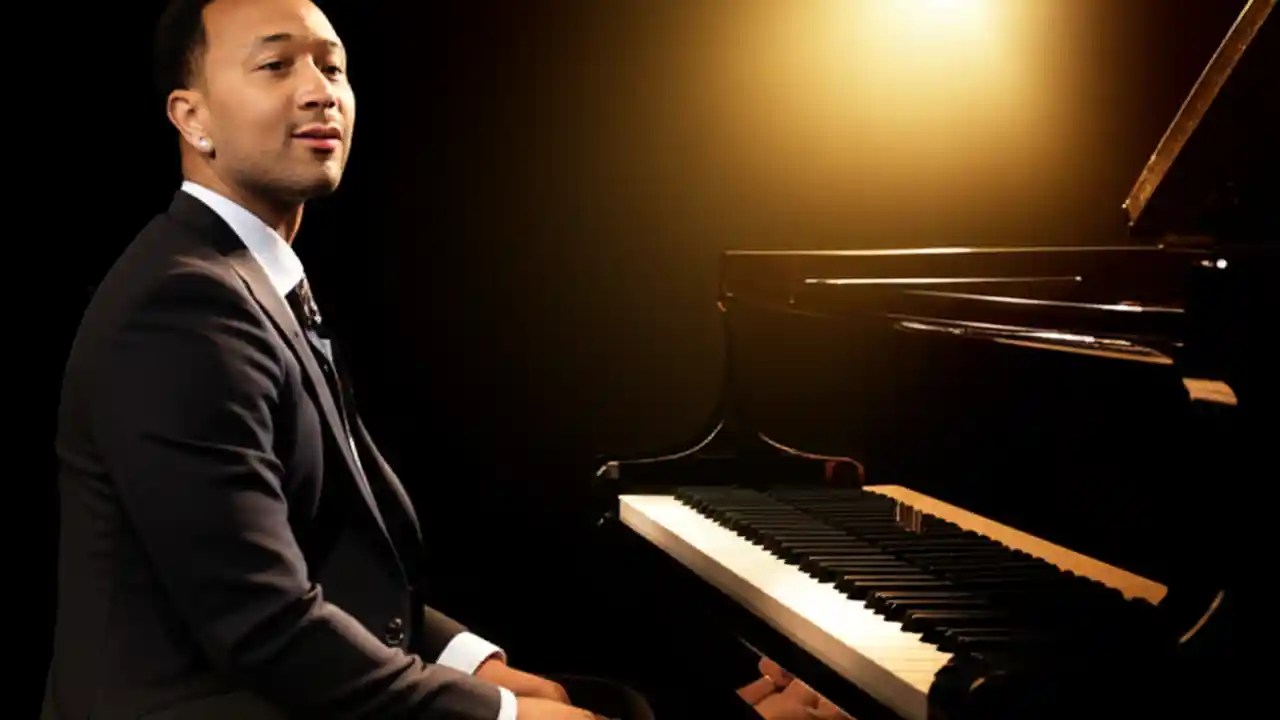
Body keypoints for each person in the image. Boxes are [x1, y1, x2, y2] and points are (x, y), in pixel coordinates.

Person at [42, 0, 611, 717]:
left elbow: (326, 550)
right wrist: (499, 712)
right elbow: (263, 623)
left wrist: (475, 663)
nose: (320, 91)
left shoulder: (243, 278)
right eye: (276, 65)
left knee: (591, 695)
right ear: (192, 117)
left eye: (332, 67)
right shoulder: (182, 306)